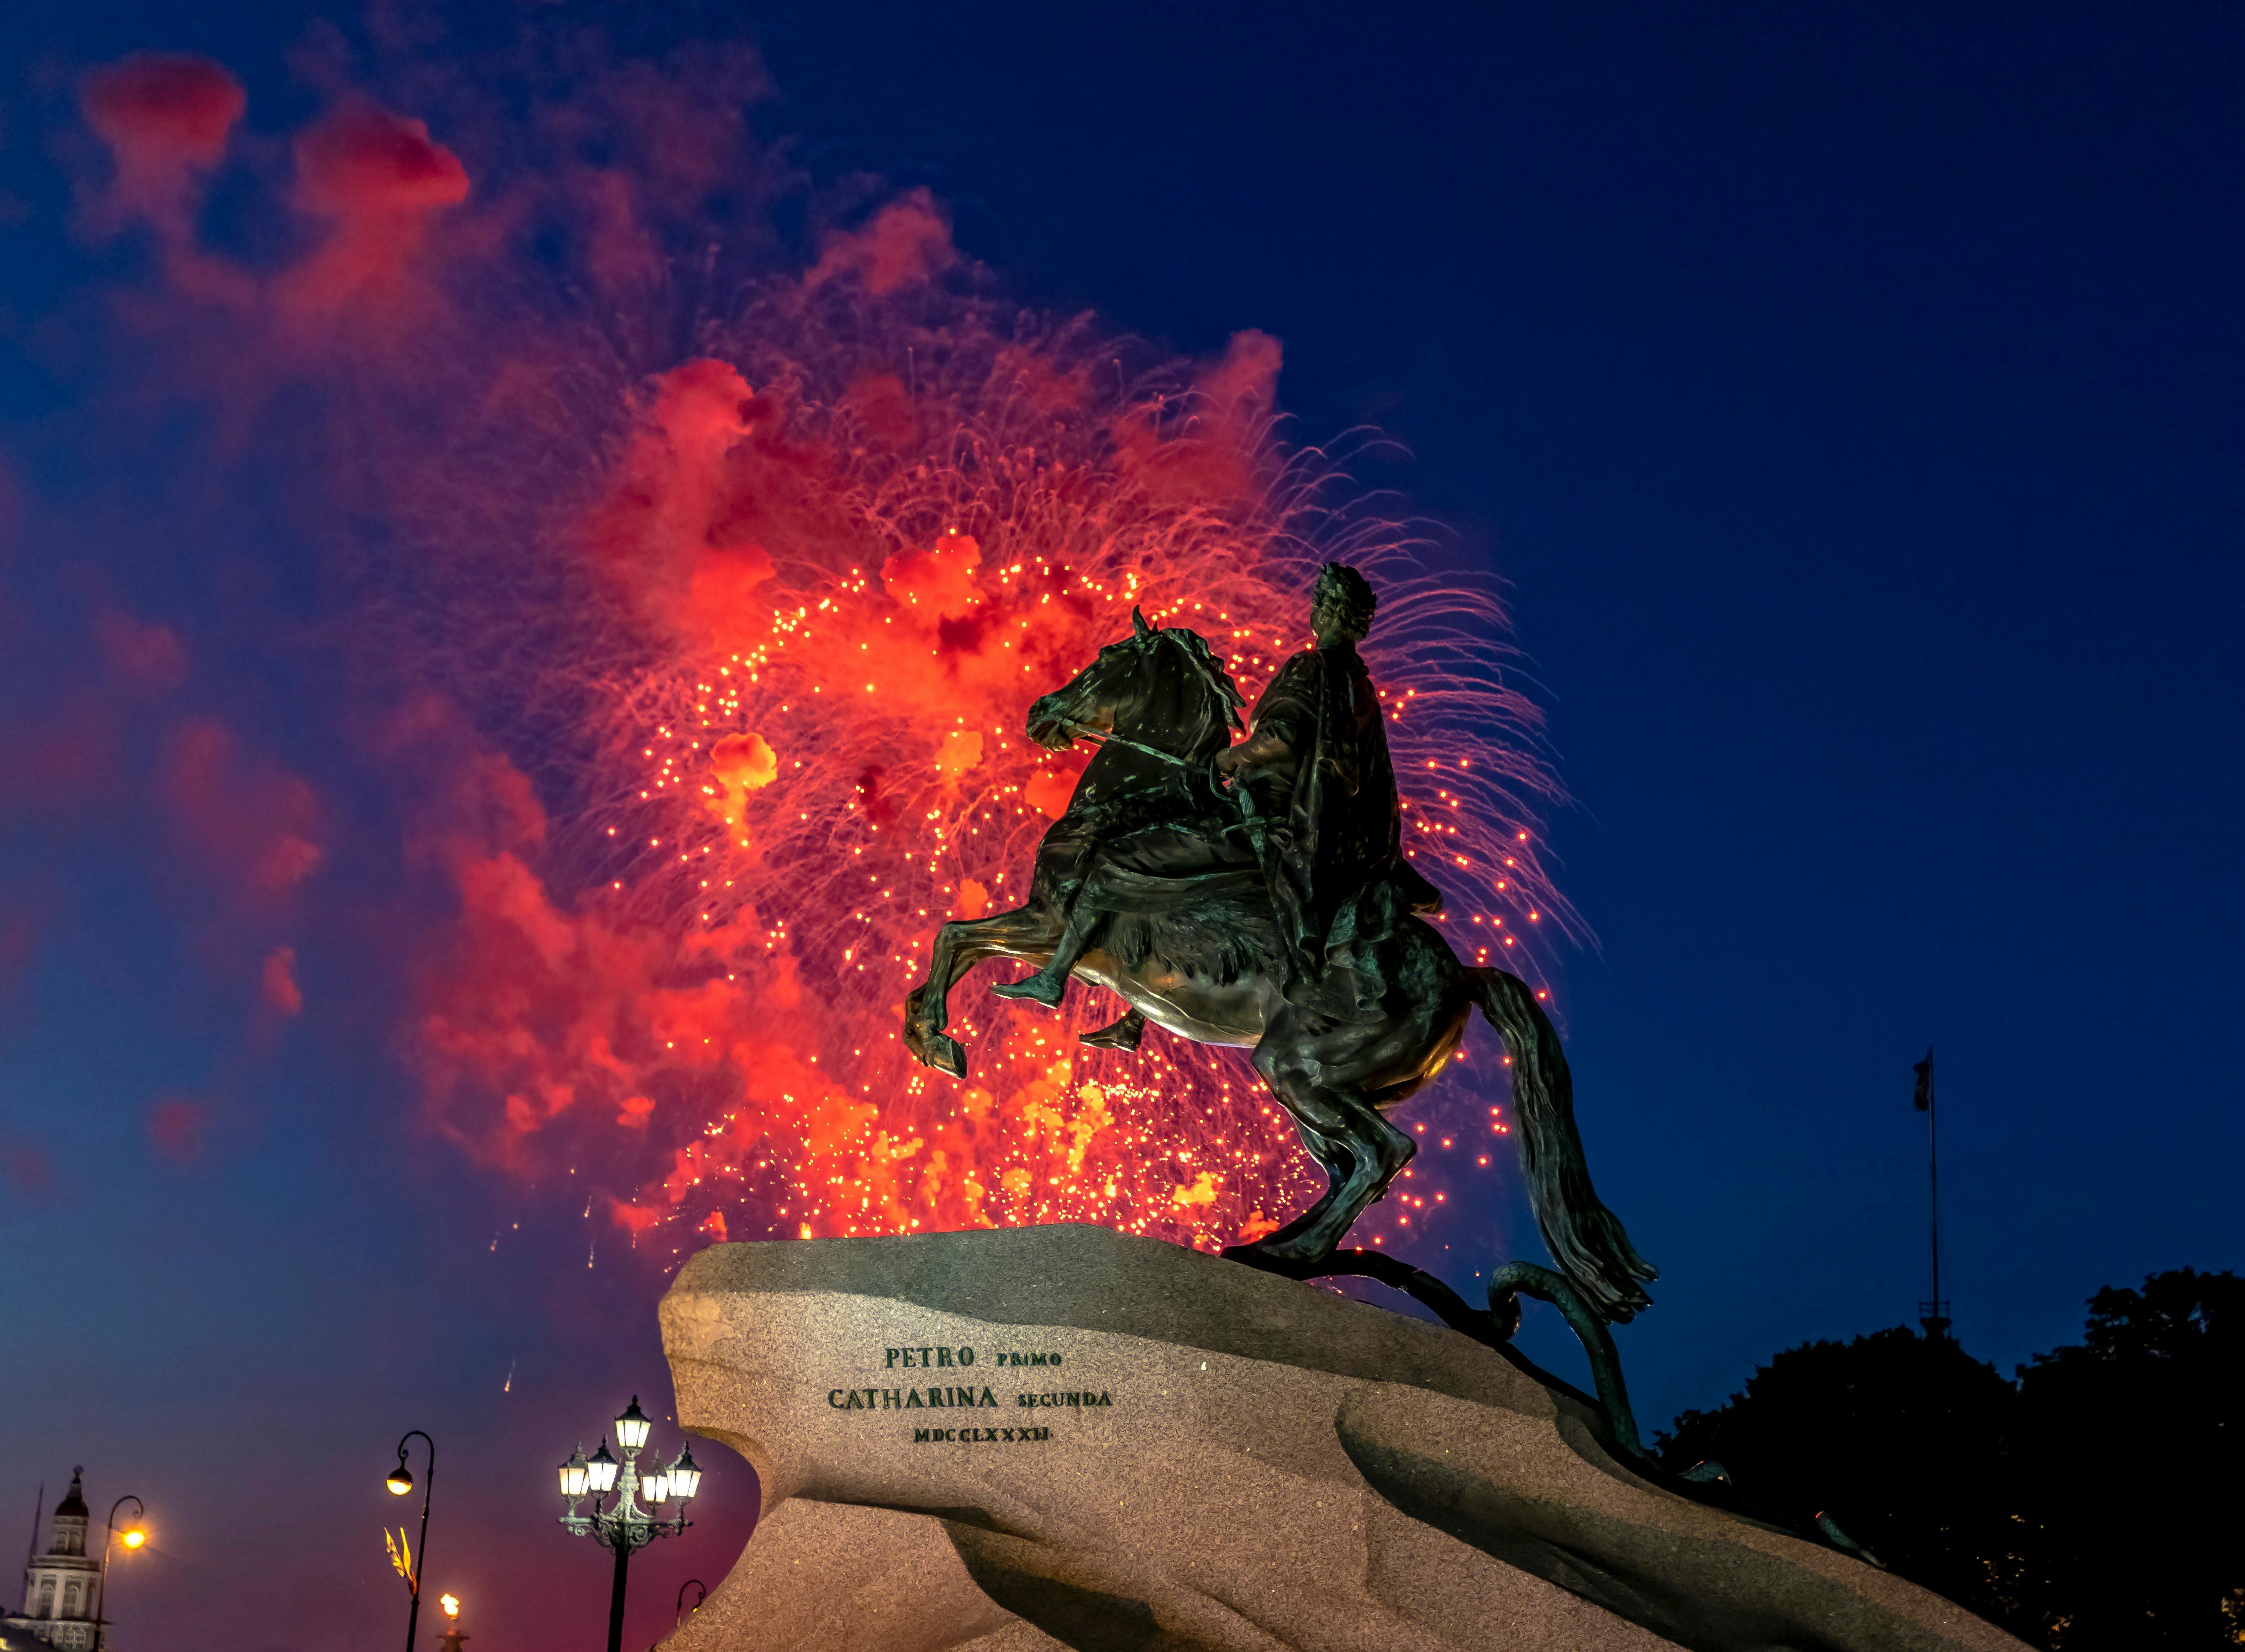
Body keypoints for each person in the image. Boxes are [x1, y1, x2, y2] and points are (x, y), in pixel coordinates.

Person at [993, 562, 1439, 1014]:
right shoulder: (1357, 686)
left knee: (1116, 860)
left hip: (1265, 819)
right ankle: (1134, 1015)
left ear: (1323, 613)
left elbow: (1282, 740)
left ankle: (1054, 976)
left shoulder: (1311, 667)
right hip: (1321, 833)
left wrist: (1226, 759)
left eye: (1317, 604)